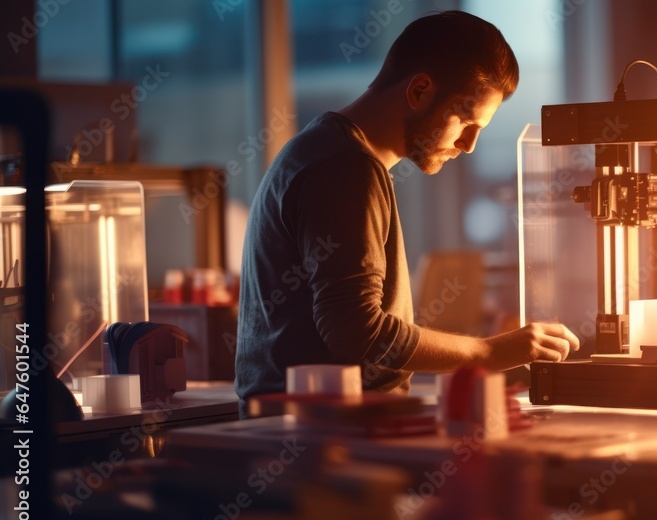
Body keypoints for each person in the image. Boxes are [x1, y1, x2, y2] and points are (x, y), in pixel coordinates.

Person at [235, 10, 579, 417]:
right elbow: (356, 331)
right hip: (318, 435)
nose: (468, 145)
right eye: (466, 121)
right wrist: (489, 352)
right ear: (419, 90)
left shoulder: (328, 150)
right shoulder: (346, 167)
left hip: (313, 427)